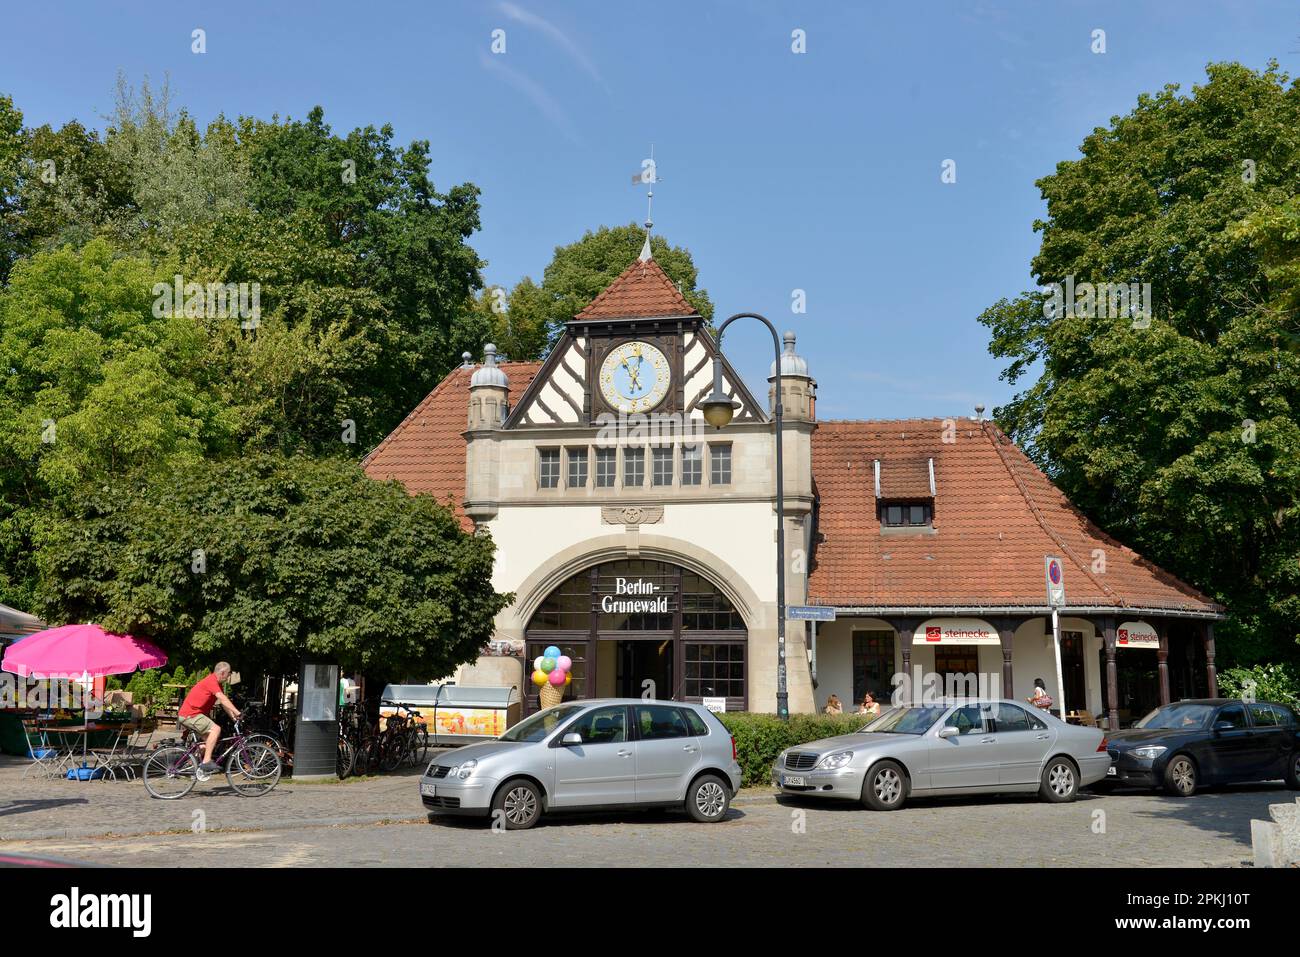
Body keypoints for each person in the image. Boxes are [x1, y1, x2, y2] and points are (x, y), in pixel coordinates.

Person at [178, 662, 241, 776]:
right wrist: (237, 712)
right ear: (222, 673)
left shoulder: (217, 684)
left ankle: (189, 764)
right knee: (216, 729)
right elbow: (222, 698)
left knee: (208, 743)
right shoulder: (211, 681)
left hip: (192, 715)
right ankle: (206, 762)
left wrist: (234, 717)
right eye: (229, 673)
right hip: (191, 714)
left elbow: (223, 704)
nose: (229, 676)